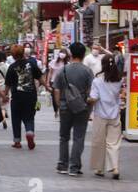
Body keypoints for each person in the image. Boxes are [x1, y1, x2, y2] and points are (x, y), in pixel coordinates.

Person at [54, 41, 94, 177]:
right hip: (82, 107)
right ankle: (74, 167)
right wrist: (89, 108)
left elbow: (57, 90)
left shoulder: (63, 70)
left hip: (65, 106)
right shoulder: (88, 71)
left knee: (64, 137)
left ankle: (62, 165)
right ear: (83, 55)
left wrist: (59, 105)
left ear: (70, 54)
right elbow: (90, 92)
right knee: (79, 137)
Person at [88, 52, 124, 179]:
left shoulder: (97, 81)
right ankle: (115, 168)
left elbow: (94, 98)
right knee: (114, 143)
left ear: (102, 65)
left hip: (100, 115)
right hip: (114, 114)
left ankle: (99, 169)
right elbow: (120, 95)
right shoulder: (119, 80)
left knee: (99, 142)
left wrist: (87, 100)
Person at [5, 44, 42, 149]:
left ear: (13, 55)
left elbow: (7, 84)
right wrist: (47, 87)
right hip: (31, 96)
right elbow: (40, 77)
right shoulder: (31, 64)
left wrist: (5, 95)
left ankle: (17, 141)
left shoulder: (12, 67)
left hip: (17, 97)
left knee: (16, 118)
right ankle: (30, 132)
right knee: (29, 117)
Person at [47, 49, 68, 117]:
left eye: (64, 53)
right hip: (54, 81)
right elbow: (50, 73)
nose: (62, 54)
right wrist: (47, 82)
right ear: (59, 54)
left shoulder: (67, 64)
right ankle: (56, 110)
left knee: (63, 97)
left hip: (64, 82)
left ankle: (61, 110)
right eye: (61, 52)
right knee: (54, 97)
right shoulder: (54, 62)